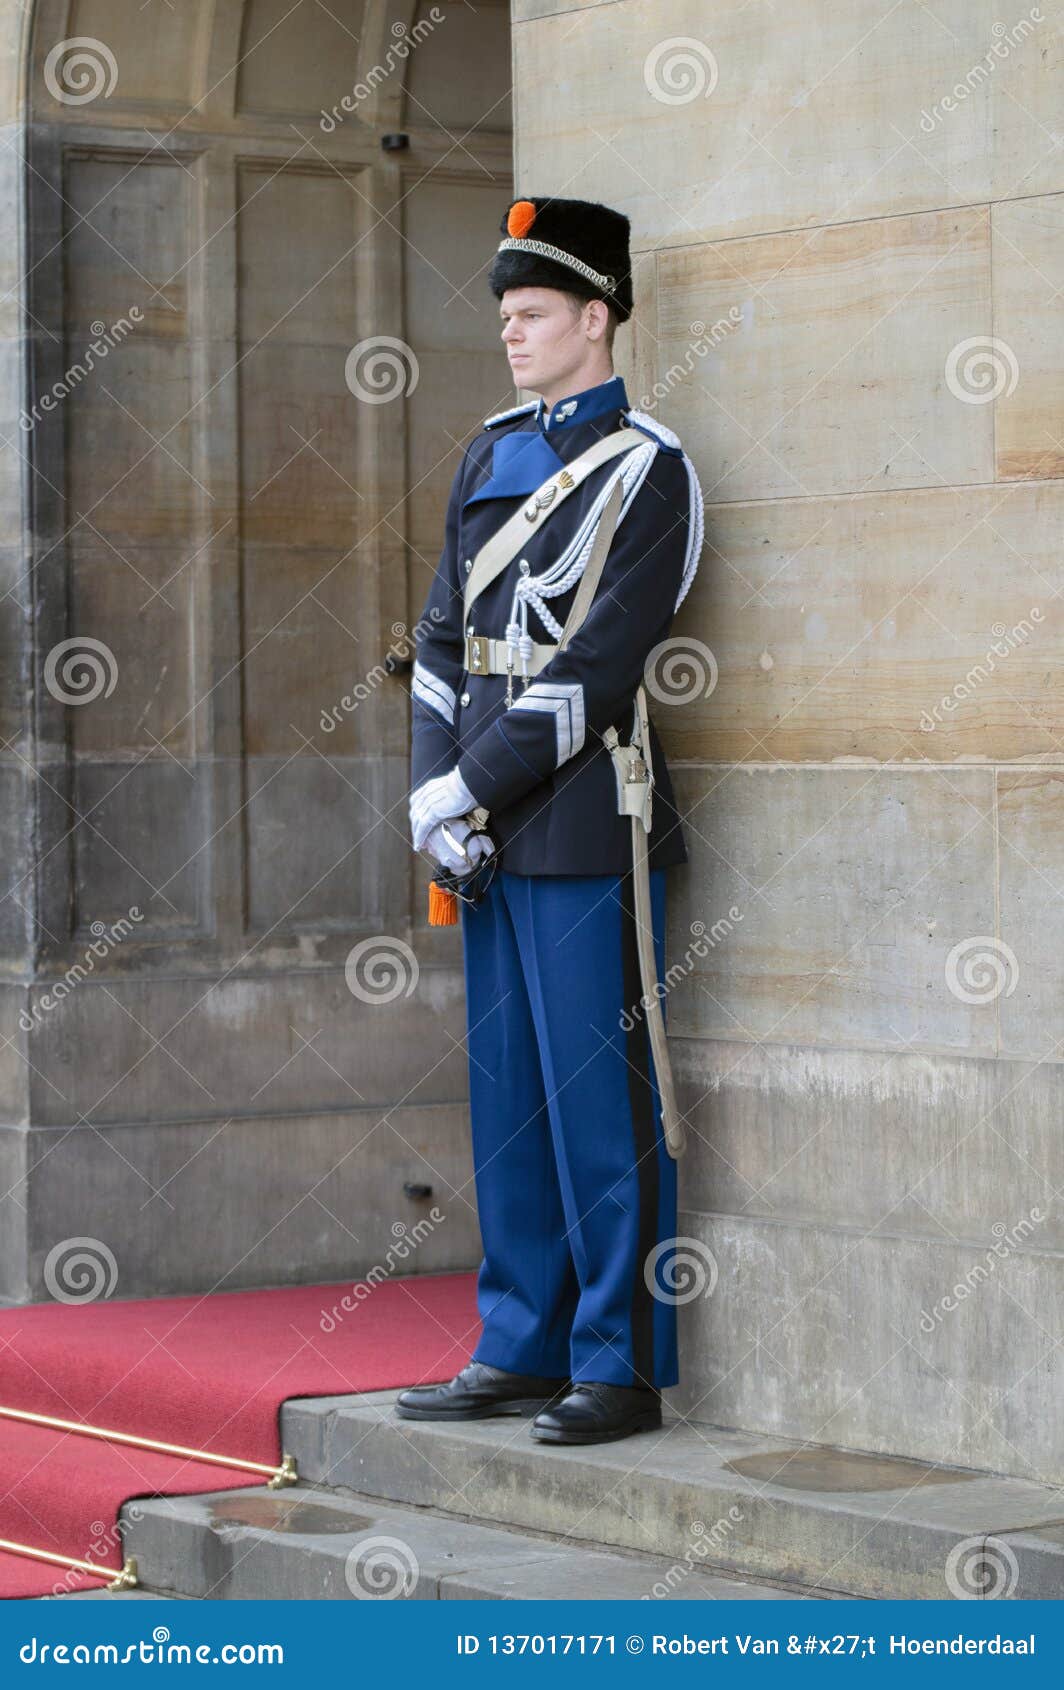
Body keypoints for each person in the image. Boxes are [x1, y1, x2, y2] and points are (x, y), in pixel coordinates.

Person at [398, 196, 704, 1444]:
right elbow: (432, 639)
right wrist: (431, 792)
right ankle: (519, 1338)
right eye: (506, 317)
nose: (511, 336)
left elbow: (600, 666)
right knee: (507, 1099)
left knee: (597, 1098)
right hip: (482, 831)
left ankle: (614, 1359)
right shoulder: (485, 453)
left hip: (585, 823)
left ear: (596, 316)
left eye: (531, 315)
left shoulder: (649, 469)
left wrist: (466, 782)